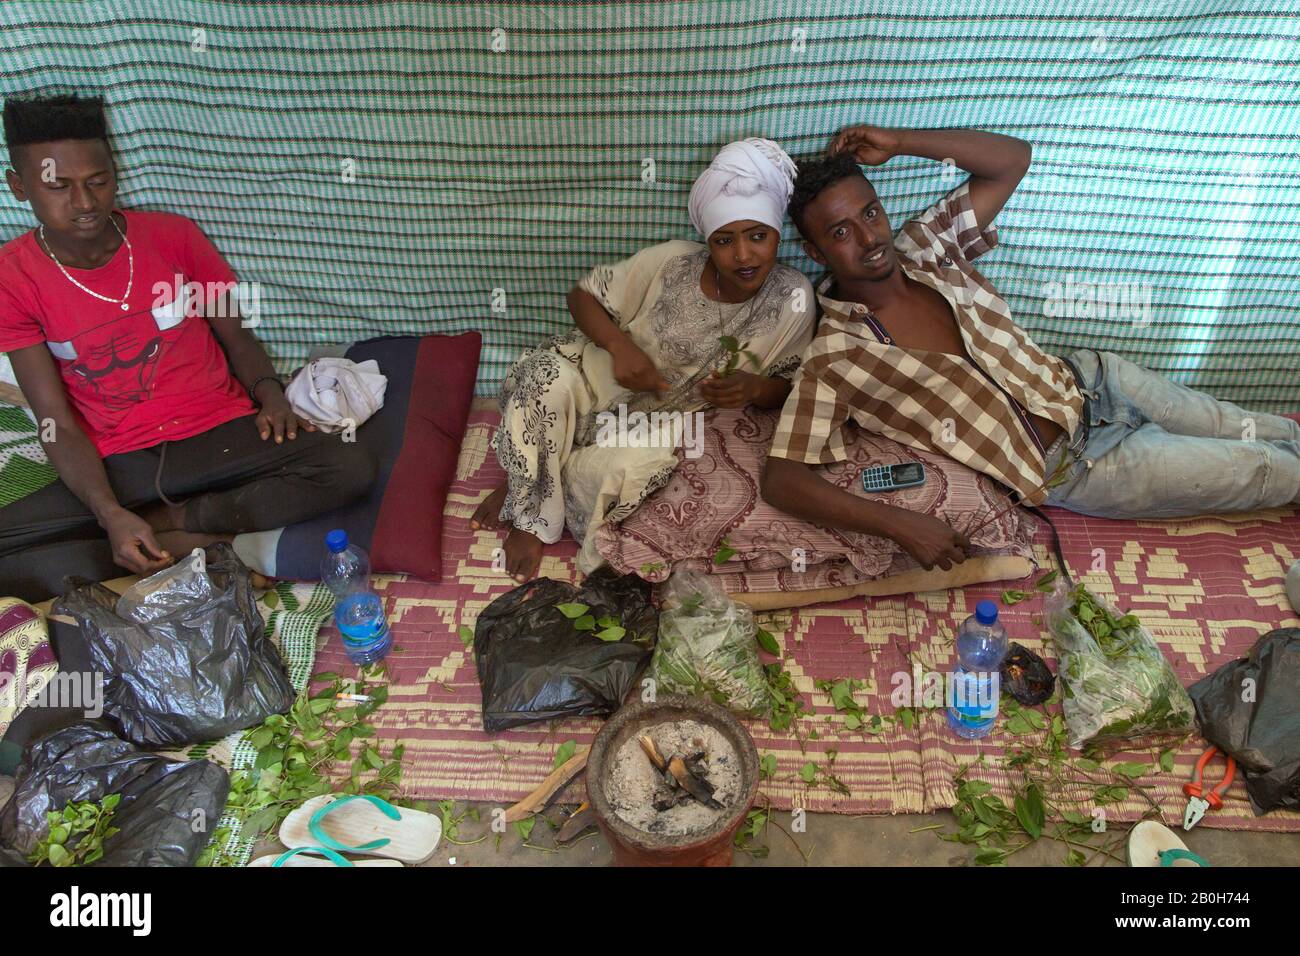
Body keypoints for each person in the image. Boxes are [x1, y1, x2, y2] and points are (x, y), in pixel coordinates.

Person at [761, 125, 1300, 571]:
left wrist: (900, 143)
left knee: (1254, 426)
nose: (869, 237)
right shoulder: (835, 358)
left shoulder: (925, 247)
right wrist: (900, 524)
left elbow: (1011, 161)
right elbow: (784, 479)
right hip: (1077, 466)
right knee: (1264, 472)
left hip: (1097, 380)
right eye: (840, 232)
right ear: (813, 250)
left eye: (870, 214)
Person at [0, 94, 376, 601]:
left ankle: (174, 525)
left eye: (98, 181)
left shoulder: (173, 237)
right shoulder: (13, 276)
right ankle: (165, 540)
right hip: (120, 461)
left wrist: (270, 397)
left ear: (115, 173)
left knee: (349, 465)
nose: (85, 202)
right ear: (19, 187)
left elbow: (236, 336)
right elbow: (54, 421)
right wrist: (109, 510)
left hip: (220, 435)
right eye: (58, 187)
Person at [472, 138, 816, 581]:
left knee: (634, 469)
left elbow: (790, 386)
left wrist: (752, 388)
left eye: (758, 236)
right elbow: (582, 297)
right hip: (590, 386)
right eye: (725, 240)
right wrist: (620, 346)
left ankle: (538, 475)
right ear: (707, 240)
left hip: (657, 422)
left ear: (777, 235)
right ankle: (530, 513)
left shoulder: (793, 297)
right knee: (543, 380)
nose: (743, 255)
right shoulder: (672, 261)